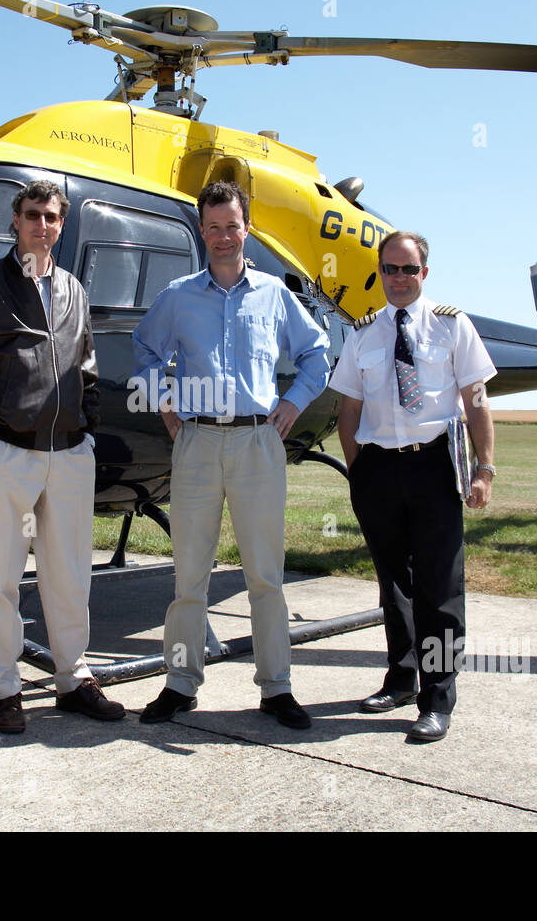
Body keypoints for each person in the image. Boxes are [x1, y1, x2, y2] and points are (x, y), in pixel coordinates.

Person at [132, 180, 330, 729]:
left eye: (232, 225)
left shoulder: (274, 294)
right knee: (188, 574)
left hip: (257, 442)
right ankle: (179, 683)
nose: (223, 236)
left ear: (248, 228)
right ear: (203, 230)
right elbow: (145, 349)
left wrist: (292, 402)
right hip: (195, 443)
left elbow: (317, 353)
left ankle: (276, 687)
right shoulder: (177, 296)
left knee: (264, 574)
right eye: (213, 226)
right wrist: (165, 403)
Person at [0, 179, 124, 734]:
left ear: (62, 226)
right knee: (1, 576)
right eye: (33, 215)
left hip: (68, 457)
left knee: (69, 576)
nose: (43, 225)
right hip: (7, 456)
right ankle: (6, 688)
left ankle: (73, 678)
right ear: (15, 221)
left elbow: (87, 367)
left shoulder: (72, 290)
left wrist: (87, 430)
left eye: (52, 217)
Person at [329, 230, 496, 743]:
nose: (398, 278)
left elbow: (477, 402)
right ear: (379, 273)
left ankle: (437, 697)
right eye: (389, 269)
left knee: (439, 586)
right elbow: (349, 409)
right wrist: (359, 471)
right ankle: (401, 678)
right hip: (378, 468)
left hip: (434, 468)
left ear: (425, 273)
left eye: (408, 269)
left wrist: (483, 470)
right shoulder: (362, 332)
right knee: (392, 583)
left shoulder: (452, 326)